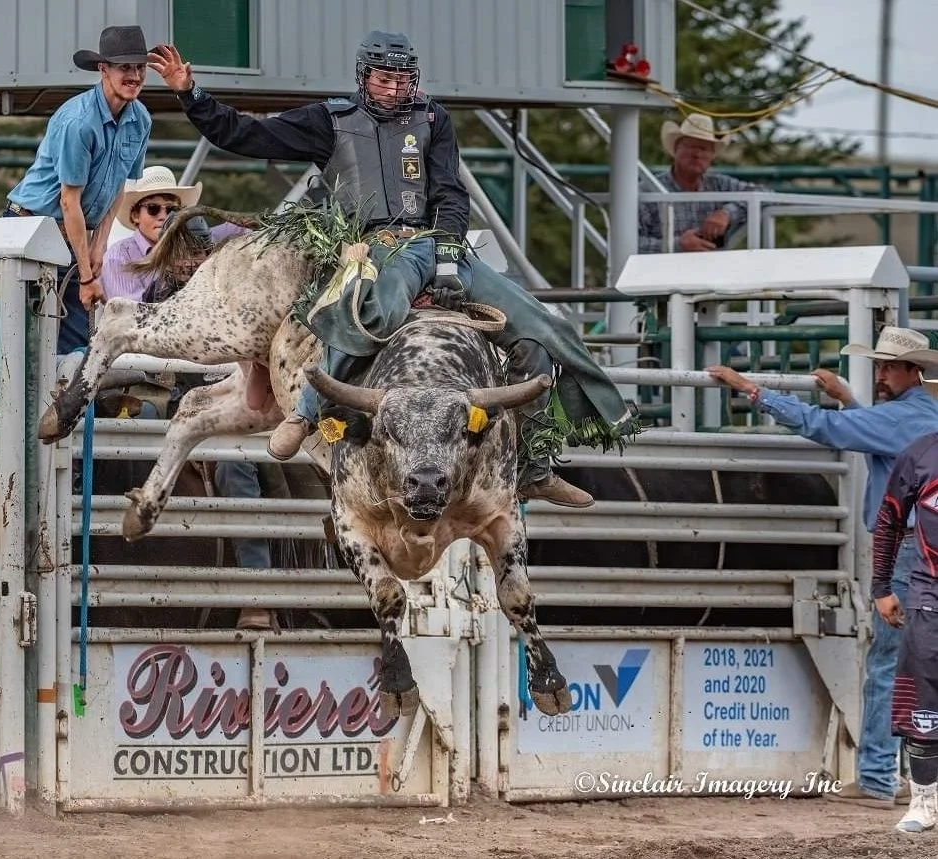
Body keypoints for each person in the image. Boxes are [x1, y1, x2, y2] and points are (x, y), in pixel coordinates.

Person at [146, 32, 640, 509]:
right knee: (371, 314)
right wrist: (191, 93)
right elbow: (246, 134)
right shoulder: (330, 120)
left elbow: (449, 192)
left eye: (403, 79)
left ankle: (537, 466)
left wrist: (447, 255)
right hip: (372, 248)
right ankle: (304, 414)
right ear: (364, 78)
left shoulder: (433, 118)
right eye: (384, 78)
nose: (394, 87)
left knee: (543, 331)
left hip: (438, 246)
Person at [708, 326, 938, 808]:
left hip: (910, 551)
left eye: (890, 366)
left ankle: (876, 777)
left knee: (889, 664)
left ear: (913, 370)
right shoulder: (921, 415)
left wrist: (752, 390)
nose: (883, 373)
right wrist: (850, 400)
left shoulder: (900, 419)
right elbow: (877, 433)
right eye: (880, 364)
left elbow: (826, 428)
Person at [142, 214, 275, 631]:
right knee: (138, 429)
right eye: (183, 253)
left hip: (228, 397)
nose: (191, 261)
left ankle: (258, 593)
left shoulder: (230, 290)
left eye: (199, 252)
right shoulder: (158, 294)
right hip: (175, 396)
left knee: (237, 466)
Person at [2, 25, 153, 355]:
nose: (135, 75)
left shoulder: (141, 119)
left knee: (74, 340)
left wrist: (99, 243)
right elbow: (69, 201)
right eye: (125, 67)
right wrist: (86, 276)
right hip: (31, 226)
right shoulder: (79, 122)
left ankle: (63, 406)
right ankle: (19, 403)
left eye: (140, 67)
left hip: (75, 232)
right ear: (103, 69)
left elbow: (119, 186)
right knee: (28, 338)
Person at [872, 389, 938, 831]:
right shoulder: (920, 454)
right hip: (929, 591)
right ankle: (924, 801)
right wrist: (880, 586)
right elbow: (890, 518)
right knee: (924, 695)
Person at [638, 113, 765, 254]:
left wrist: (726, 213)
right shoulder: (647, 190)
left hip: (713, 272)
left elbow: (764, 194)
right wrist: (675, 245)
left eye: (704, 149)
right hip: (660, 272)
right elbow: (628, 242)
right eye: (691, 146)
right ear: (675, 149)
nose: (697, 154)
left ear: (711, 156)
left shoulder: (719, 184)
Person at [102, 165, 203, 301]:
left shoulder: (192, 250)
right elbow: (130, 315)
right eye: (153, 208)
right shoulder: (118, 258)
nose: (163, 216)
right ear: (135, 215)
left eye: (171, 210)